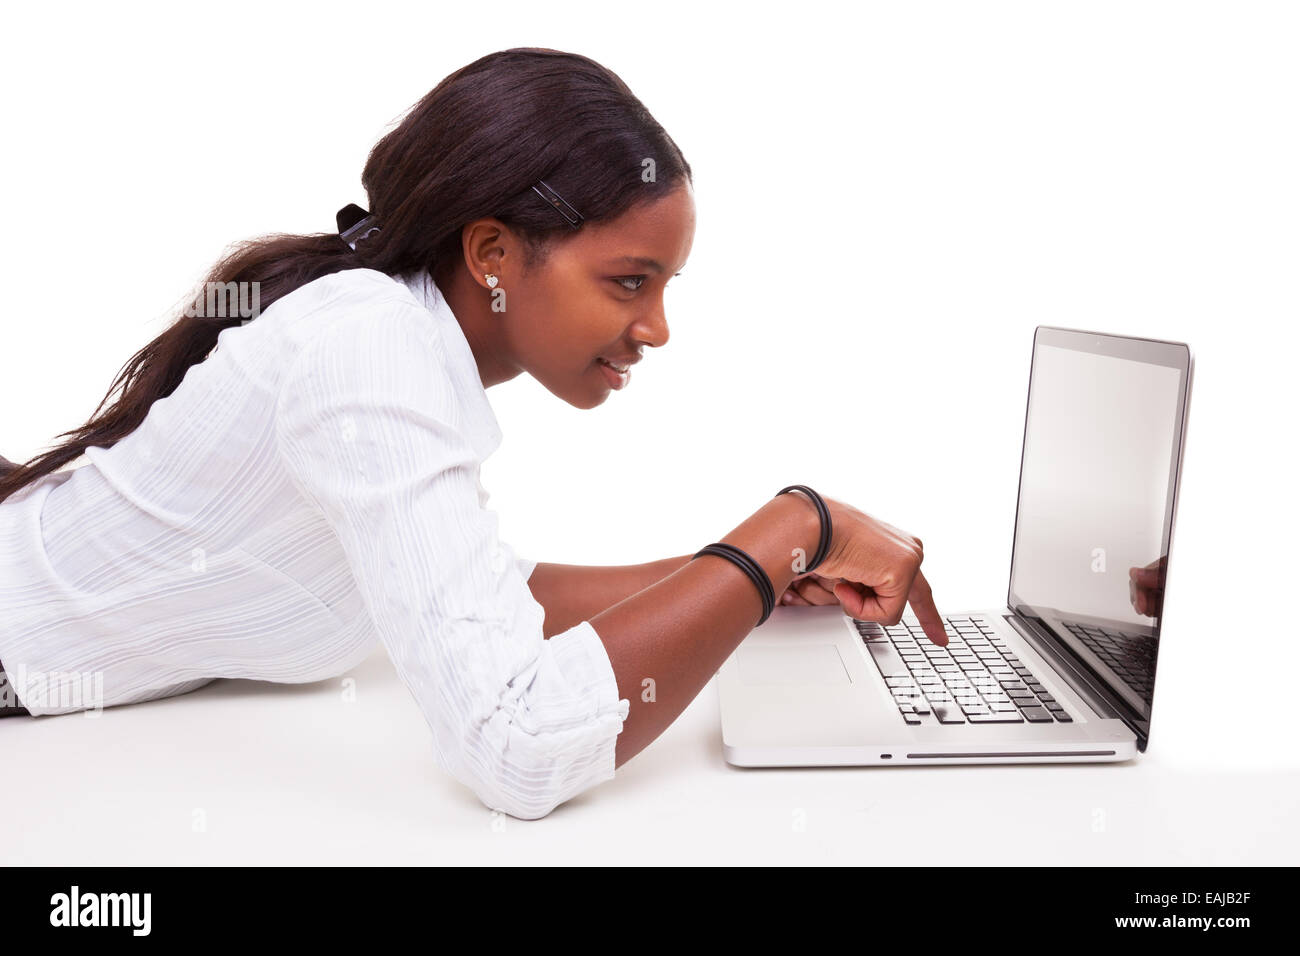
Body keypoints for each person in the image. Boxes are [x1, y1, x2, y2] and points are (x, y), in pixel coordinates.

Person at [0, 48, 945, 818]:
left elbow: (476, 597)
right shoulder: (369, 354)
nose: (657, 327)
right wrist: (789, 528)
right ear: (492, 253)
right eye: (629, 281)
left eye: (665, 287)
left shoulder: (393, 336)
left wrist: (749, 584)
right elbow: (516, 745)